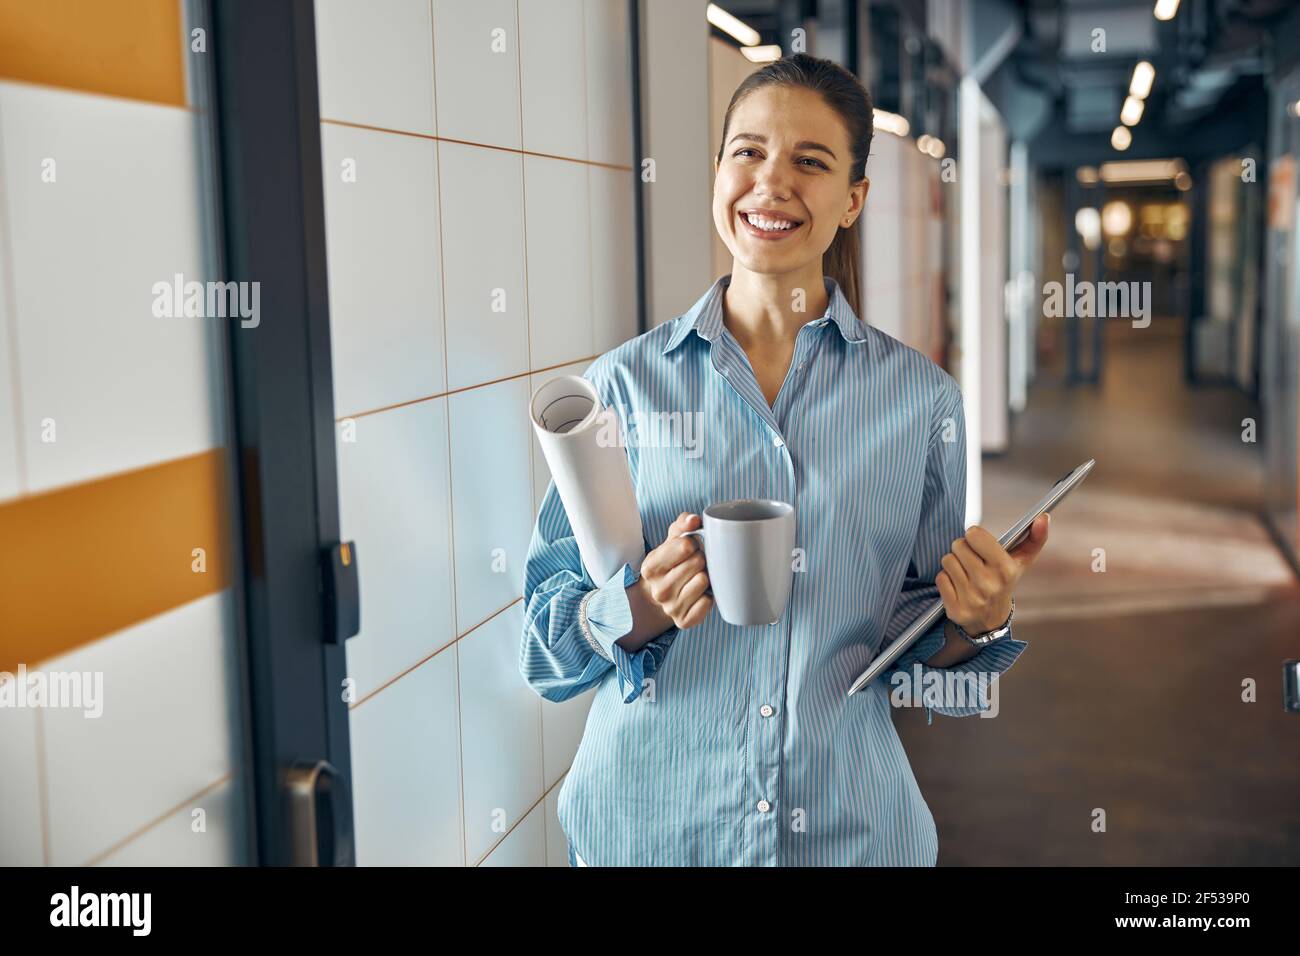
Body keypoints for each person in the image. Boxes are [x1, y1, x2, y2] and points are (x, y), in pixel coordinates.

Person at [520, 53, 1049, 866]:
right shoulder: (620, 388)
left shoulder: (922, 404)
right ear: (718, 175)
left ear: (853, 200)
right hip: (652, 829)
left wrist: (980, 626)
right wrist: (640, 605)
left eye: (811, 161)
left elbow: (916, 674)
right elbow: (543, 656)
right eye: (748, 152)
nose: (771, 183)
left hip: (846, 831)